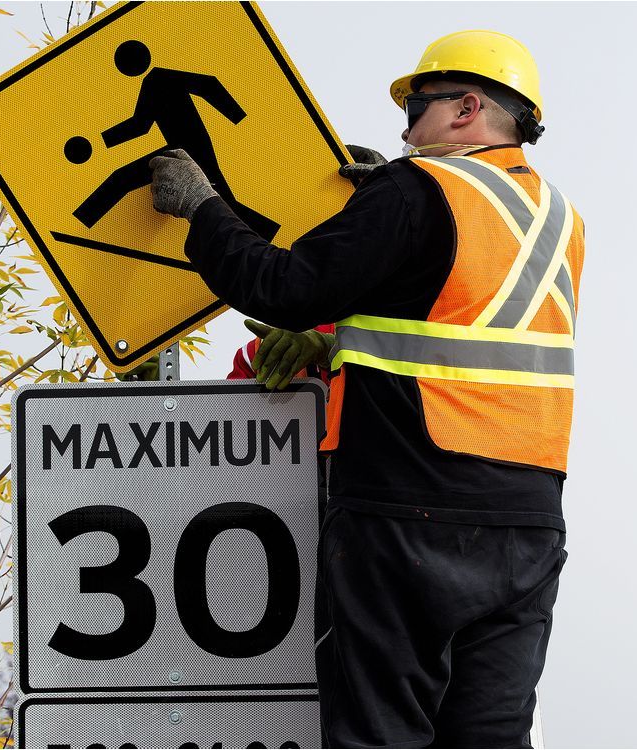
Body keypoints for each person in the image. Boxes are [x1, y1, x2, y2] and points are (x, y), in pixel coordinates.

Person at [147, 30, 584, 749]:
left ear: (467, 107)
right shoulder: (560, 220)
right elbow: (462, 322)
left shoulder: (417, 189)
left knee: (378, 734)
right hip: (526, 524)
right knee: (488, 737)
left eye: (417, 104)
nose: (406, 125)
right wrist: (340, 329)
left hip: (407, 509)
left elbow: (283, 287)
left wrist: (202, 208)